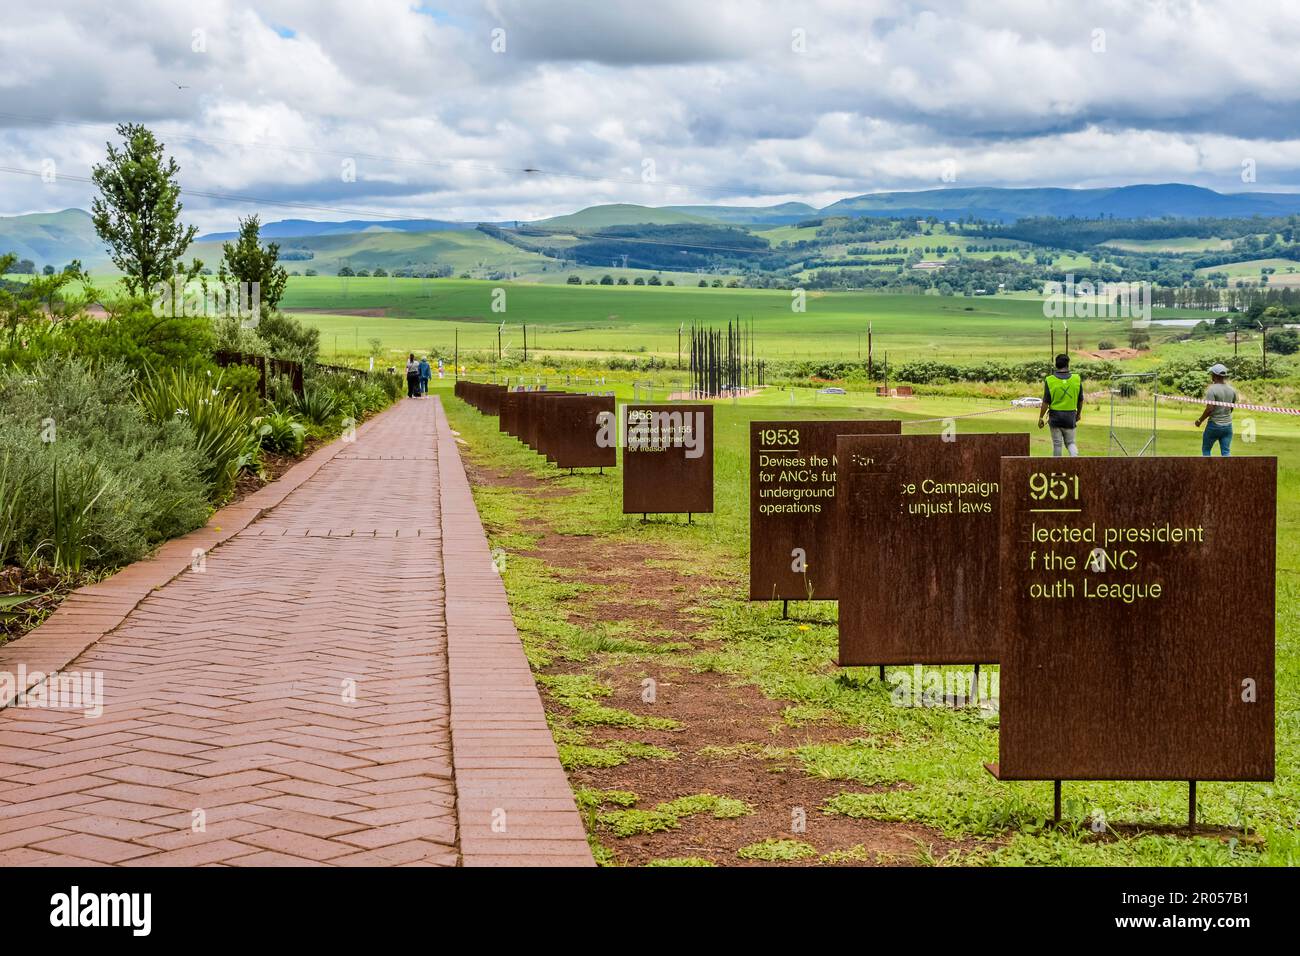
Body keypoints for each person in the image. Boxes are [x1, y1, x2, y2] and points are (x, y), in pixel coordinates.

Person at [1038, 353, 1082, 457]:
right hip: (1070, 416)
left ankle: (1058, 471)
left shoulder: (1050, 380)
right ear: (1068, 364)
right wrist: (1078, 414)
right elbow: (1080, 399)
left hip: (1055, 417)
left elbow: (1046, 401)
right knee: (1071, 443)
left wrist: (1041, 417)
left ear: (1056, 365)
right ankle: (1076, 461)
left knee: (1057, 444)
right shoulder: (1076, 379)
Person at [1194, 363, 1237, 457]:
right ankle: (1228, 471)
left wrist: (1199, 420)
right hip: (1228, 426)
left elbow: (1209, 409)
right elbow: (1231, 408)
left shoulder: (1212, 389)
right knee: (1226, 452)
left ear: (1214, 375)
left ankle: (1207, 471)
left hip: (1214, 425)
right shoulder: (1232, 390)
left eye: (1211, 374)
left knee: (1206, 450)